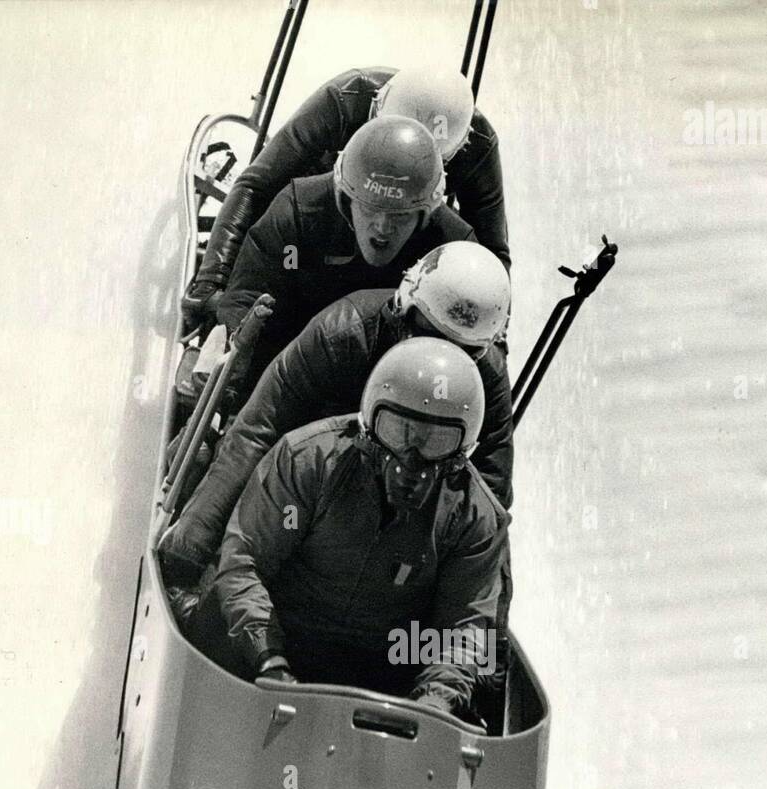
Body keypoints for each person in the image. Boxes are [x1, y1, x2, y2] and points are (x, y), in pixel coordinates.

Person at [186, 338, 508, 718]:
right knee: (215, 616)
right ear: (372, 426)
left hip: (380, 669)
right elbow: (245, 561)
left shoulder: (476, 517)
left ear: (459, 450)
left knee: (479, 679)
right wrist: (268, 656)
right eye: (399, 431)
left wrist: (433, 705)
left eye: (437, 440)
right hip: (280, 634)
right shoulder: (309, 461)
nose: (412, 459)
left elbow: (464, 628)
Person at [159, 242, 513, 582]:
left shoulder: (487, 379)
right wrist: (191, 545)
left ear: (480, 352)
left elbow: (489, 496)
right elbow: (257, 432)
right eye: (428, 334)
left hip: (403, 506)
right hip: (307, 490)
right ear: (404, 310)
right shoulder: (342, 333)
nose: (438, 357)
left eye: (459, 349)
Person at [182, 65, 508, 328]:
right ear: (374, 108)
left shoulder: (478, 148)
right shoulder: (343, 99)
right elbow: (258, 186)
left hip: (405, 229)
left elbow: (491, 257)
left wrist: (485, 328)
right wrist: (212, 281)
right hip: (325, 207)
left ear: (460, 148)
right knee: (294, 239)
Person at [212, 115, 477, 392]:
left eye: (399, 215)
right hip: (289, 370)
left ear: (425, 216)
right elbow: (249, 297)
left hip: (391, 387)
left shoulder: (454, 251)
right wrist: (228, 377)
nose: (383, 227)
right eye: (370, 208)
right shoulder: (298, 218)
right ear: (345, 201)